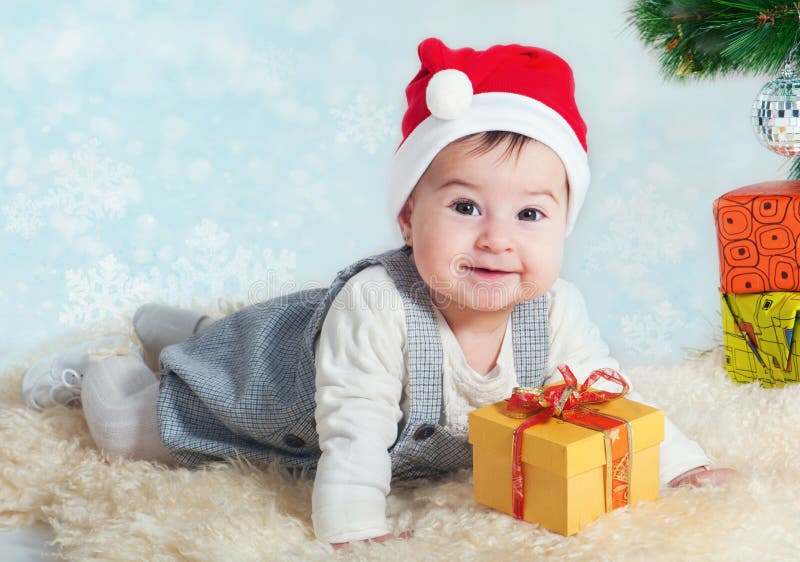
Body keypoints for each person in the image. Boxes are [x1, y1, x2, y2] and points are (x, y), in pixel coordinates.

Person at [21, 37, 735, 548]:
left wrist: (682, 462)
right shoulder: (380, 302)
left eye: (530, 215)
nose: (496, 239)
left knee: (229, 332)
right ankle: (102, 368)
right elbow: (355, 431)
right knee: (138, 429)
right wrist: (353, 527)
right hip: (282, 394)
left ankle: (190, 327)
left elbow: (604, 396)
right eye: (464, 208)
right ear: (406, 216)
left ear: (563, 225)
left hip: (308, 342)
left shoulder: (556, 311)